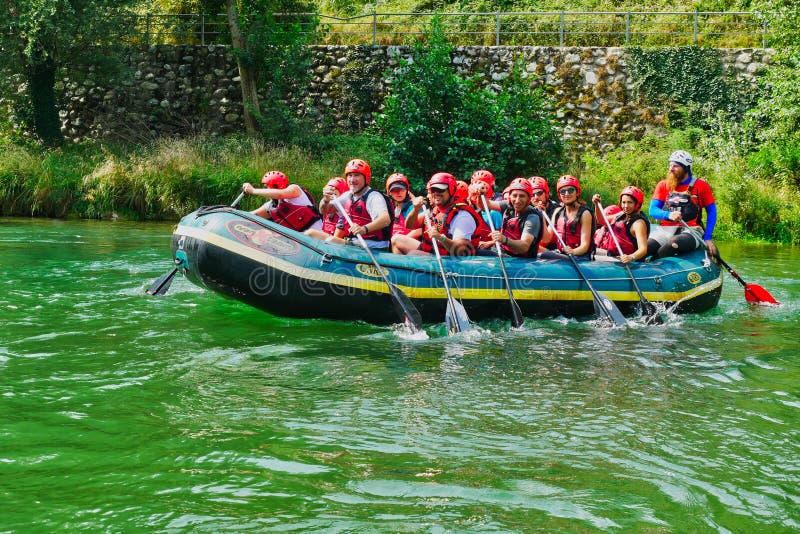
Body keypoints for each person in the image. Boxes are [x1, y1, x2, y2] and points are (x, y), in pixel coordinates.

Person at [393, 172, 488, 257]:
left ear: (452, 190)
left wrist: (441, 238)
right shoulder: (436, 210)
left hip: (452, 260)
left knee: (413, 254)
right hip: (435, 252)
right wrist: (416, 209)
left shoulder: (462, 216)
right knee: (396, 240)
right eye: (433, 189)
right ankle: (397, 274)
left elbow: (461, 251)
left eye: (440, 190)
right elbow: (409, 225)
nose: (436, 193)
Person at [647, 150, 718, 258]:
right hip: (665, 230)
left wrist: (707, 237)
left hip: (691, 231)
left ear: (686, 168)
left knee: (674, 243)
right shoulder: (663, 185)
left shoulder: (701, 186)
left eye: (675, 166)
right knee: (646, 246)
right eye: (670, 165)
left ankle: (654, 261)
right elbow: (652, 210)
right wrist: (668, 215)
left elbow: (712, 212)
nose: (671, 169)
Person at [317, 159, 392, 249]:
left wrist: (364, 229)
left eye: (357, 175)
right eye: (349, 176)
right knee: (311, 234)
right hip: (354, 242)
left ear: (366, 178)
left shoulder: (374, 196)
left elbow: (385, 219)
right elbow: (324, 210)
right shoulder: (348, 195)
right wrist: (325, 200)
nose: (352, 180)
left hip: (373, 246)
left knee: (331, 241)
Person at [477, 177, 543, 257]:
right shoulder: (508, 205)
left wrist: (504, 239)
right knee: (474, 252)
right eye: (514, 195)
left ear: (529, 199)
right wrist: (481, 195)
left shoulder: (532, 218)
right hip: (503, 252)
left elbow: (524, 247)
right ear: (510, 196)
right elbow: (485, 205)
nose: (517, 200)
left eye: (522, 196)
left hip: (521, 260)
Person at [242, 170, 323, 232]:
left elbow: (280, 194)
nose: (265, 189)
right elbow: (253, 215)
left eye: (266, 186)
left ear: (274, 186)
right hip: (300, 240)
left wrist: (252, 190)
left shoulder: (295, 189)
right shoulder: (271, 206)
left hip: (316, 236)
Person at [540, 175, 595, 260]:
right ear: (559, 195)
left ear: (577, 192)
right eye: (563, 191)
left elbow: (584, 246)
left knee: (546, 255)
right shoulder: (557, 212)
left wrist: (572, 251)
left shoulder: (584, 213)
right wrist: (542, 216)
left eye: (570, 190)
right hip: (562, 254)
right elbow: (547, 239)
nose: (566, 194)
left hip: (579, 256)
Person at [592, 186, 650, 263]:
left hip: (626, 260)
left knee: (591, 257)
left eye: (630, 202)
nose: (626, 206)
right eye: (624, 202)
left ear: (637, 204)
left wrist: (631, 257)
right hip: (612, 255)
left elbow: (643, 249)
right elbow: (602, 220)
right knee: (588, 251)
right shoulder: (622, 214)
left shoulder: (638, 224)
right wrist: (596, 205)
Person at [385, 173, 421, 240]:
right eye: (395, 190)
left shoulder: (413, 207)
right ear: (389, 192)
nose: (399, 193)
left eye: (402, 189)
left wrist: (400, 241)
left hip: (408, 244)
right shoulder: (390, 207)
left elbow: (420, 230)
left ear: (407, 191)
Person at [528, 176, 558, 252]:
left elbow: (546, 241)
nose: (536, 197)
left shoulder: (556, 210)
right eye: (532, 194)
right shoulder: (528, 209)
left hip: (552, 250)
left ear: (546, 193)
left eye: (539, 193)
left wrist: (541, 214)